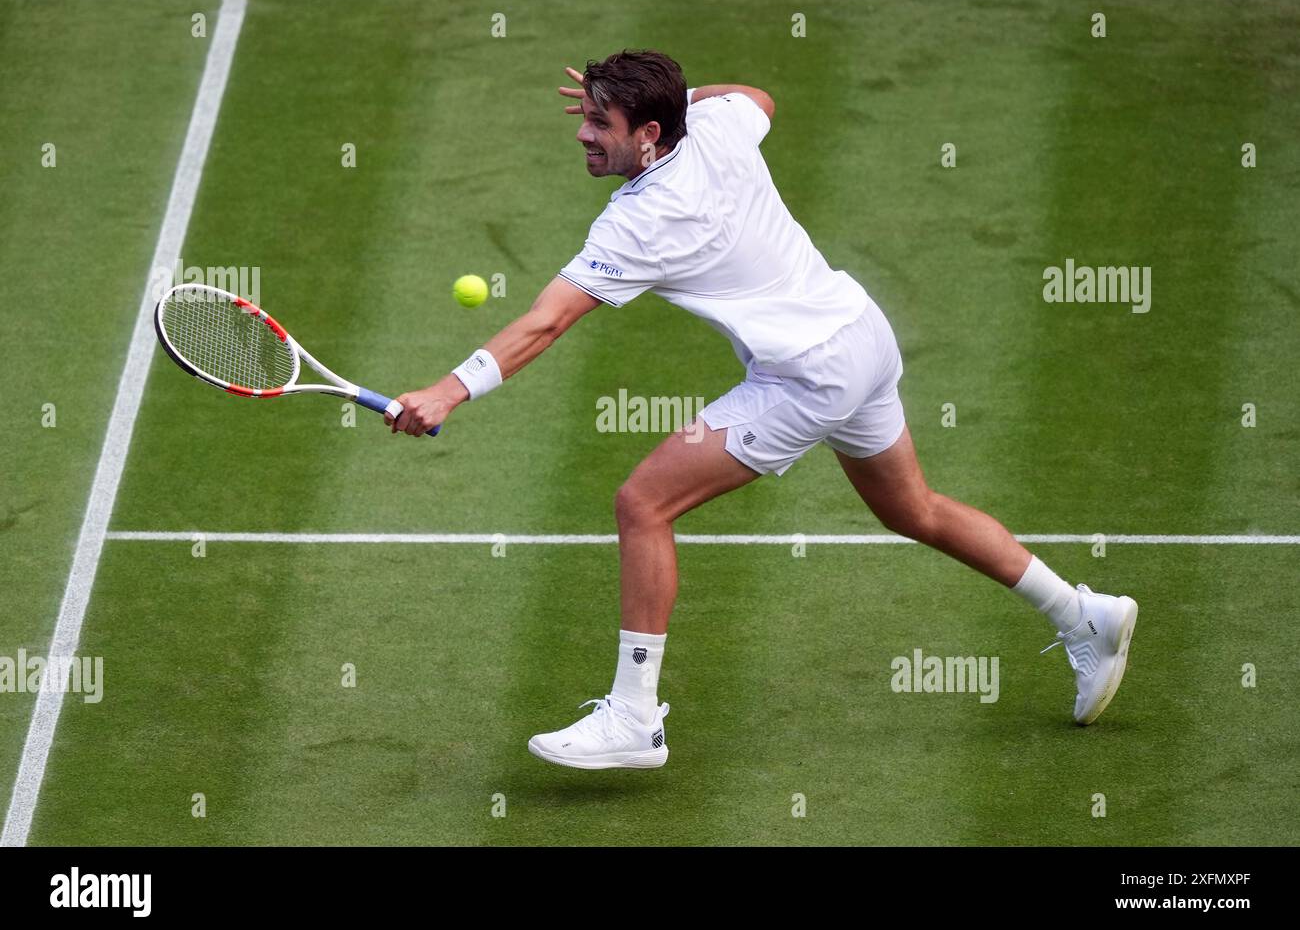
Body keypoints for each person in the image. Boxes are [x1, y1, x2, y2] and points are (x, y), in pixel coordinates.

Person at [388, 50, 1138, 770]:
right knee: (914, 509)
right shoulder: (715, 125)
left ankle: (633, 716)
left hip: (807, 376)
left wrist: (448, 390)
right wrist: (671, 101)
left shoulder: (638, 222)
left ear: (648, 135)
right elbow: (758, 97)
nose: (582, 132)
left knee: (642, 503)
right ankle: (1083, 615)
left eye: (599, 122)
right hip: (859, 333)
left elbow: (546, 321)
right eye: (586, 114)